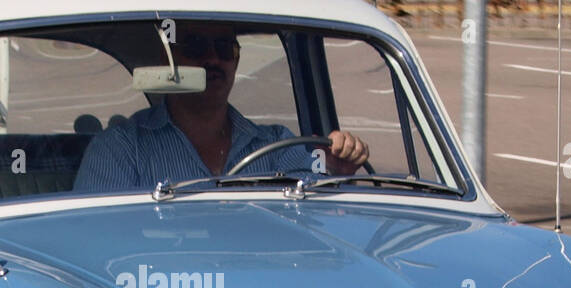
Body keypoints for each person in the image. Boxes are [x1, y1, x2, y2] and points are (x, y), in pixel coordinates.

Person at [73, 24, 369, 192]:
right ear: (169, 60)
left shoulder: (275, 144)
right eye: (197, 46)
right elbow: (97, 240)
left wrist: (337, 170)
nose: (213, 60)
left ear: (236, 61)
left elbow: (317, 213)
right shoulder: (121, 147)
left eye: (224, 48)